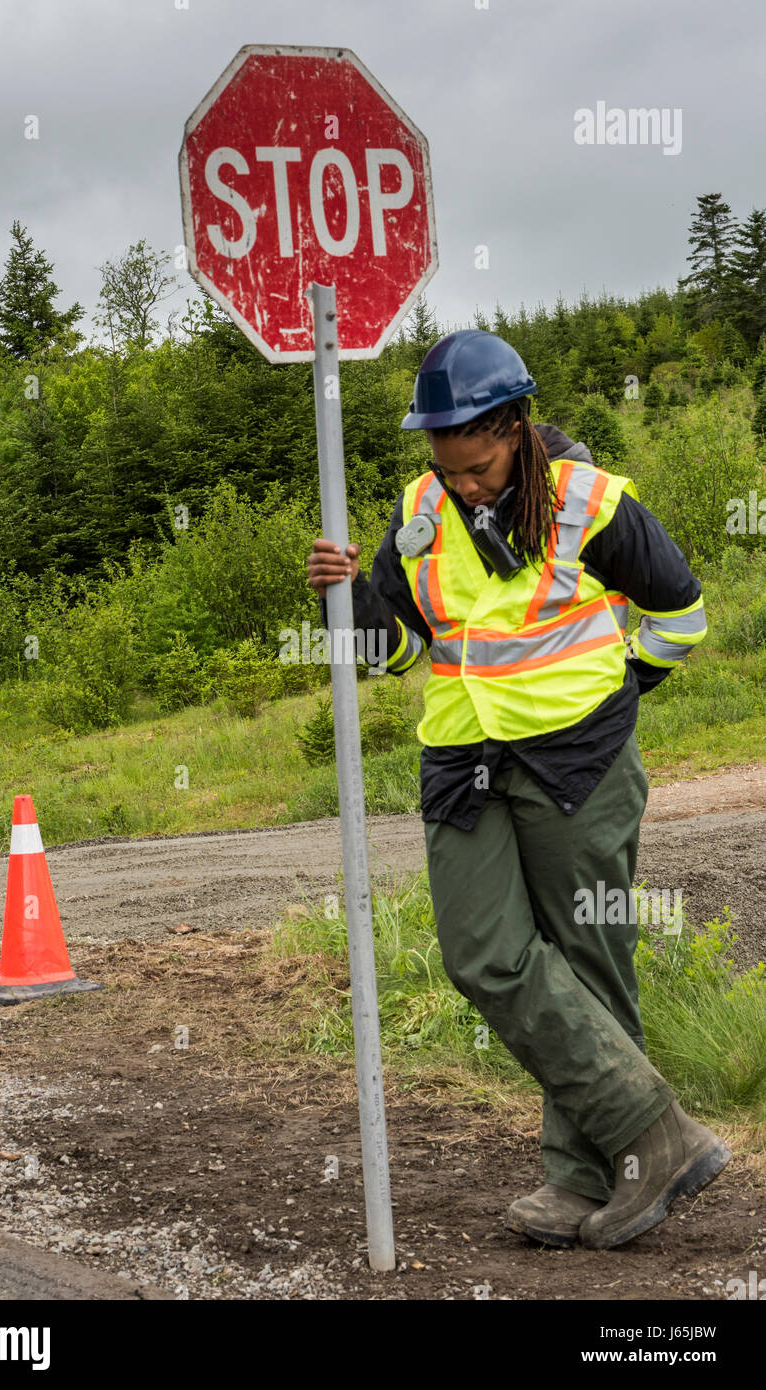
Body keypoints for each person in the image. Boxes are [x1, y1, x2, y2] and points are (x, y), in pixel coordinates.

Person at [306, 328, 731, 1250]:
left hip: (579, 765)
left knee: (589, 961)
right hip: (464, 761)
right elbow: (403, 652)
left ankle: (585, 1183)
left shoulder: (592, 501)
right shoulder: (419, 511)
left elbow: (680, 615)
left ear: (515, 426)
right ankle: (655, 1133)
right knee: (483, 954)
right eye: (447, 466)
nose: (463, 485)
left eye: (479, 465)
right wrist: (351, 599)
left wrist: (615, 700)